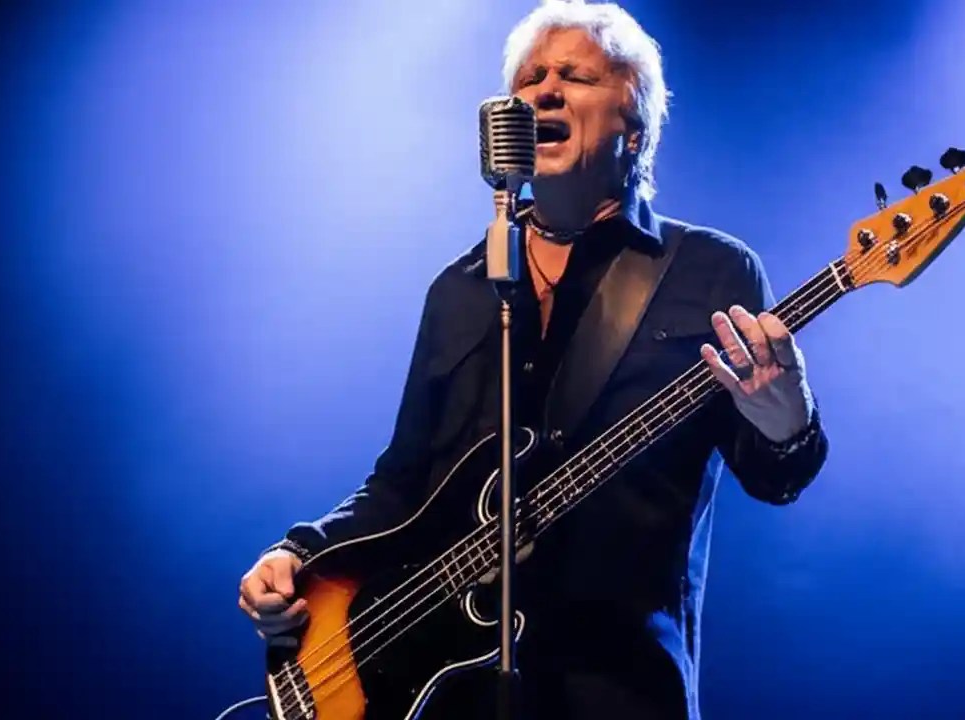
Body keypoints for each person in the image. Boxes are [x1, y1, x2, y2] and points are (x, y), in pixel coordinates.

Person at [238, 2, 827, 718]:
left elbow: (775, 476)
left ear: (633, 125)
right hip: (448, 696)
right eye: (529, 78)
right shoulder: (460, 289)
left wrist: (787, 420)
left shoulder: (709, 270)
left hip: (617, 688)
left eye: (575, 76)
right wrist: (301, 554)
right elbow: (401, 485)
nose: (544, 90)